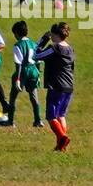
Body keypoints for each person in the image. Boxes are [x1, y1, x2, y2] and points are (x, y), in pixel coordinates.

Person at [33, 22, 75, 151]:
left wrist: (43, 39)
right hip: (69, 85)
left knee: (51, 116)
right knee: (61, 115)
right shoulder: (70, 49)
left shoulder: (55, 48)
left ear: (55, 34)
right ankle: (61, 145)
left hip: (56, 85)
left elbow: (36, 55)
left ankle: (62, 137)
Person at [5, 20, 43, 128]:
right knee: (34, 96)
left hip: (23, 72)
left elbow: (19, 63)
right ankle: (38, 120)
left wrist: (17, 79)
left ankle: (10, 121)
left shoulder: (18, 45)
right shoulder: (34, 44)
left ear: (16, 33)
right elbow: (39, 60)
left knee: (13, 96)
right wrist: (38, 75)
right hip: (34, 71)